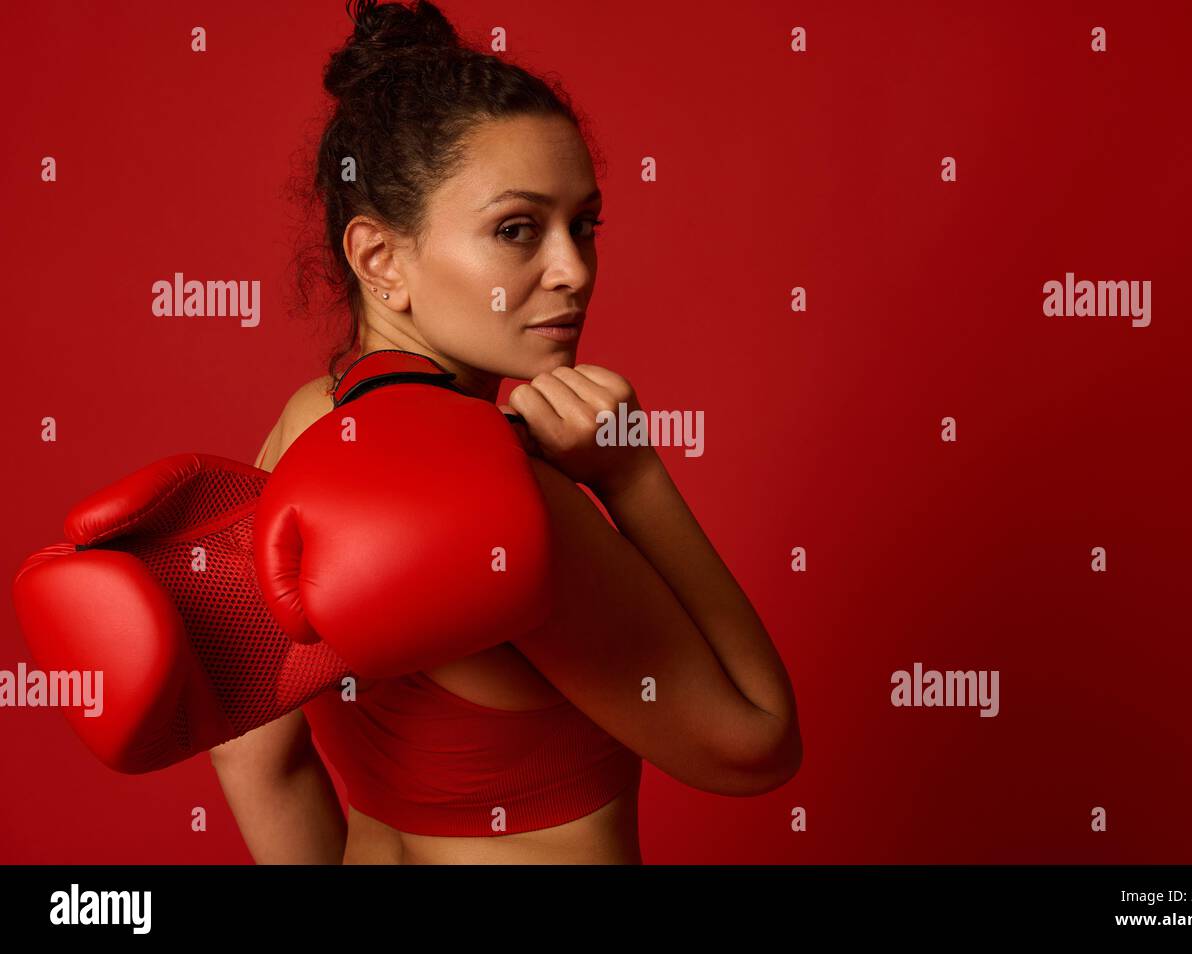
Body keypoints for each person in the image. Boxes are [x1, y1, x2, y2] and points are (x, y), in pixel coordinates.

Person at [208, 0, 801, 865]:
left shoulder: (306, 424)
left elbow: (249, 748)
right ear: (379, 260)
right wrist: (632, 478)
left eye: (583, 225)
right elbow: (758, 745)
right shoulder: (514, 498)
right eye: (517, 230)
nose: (573, 270)